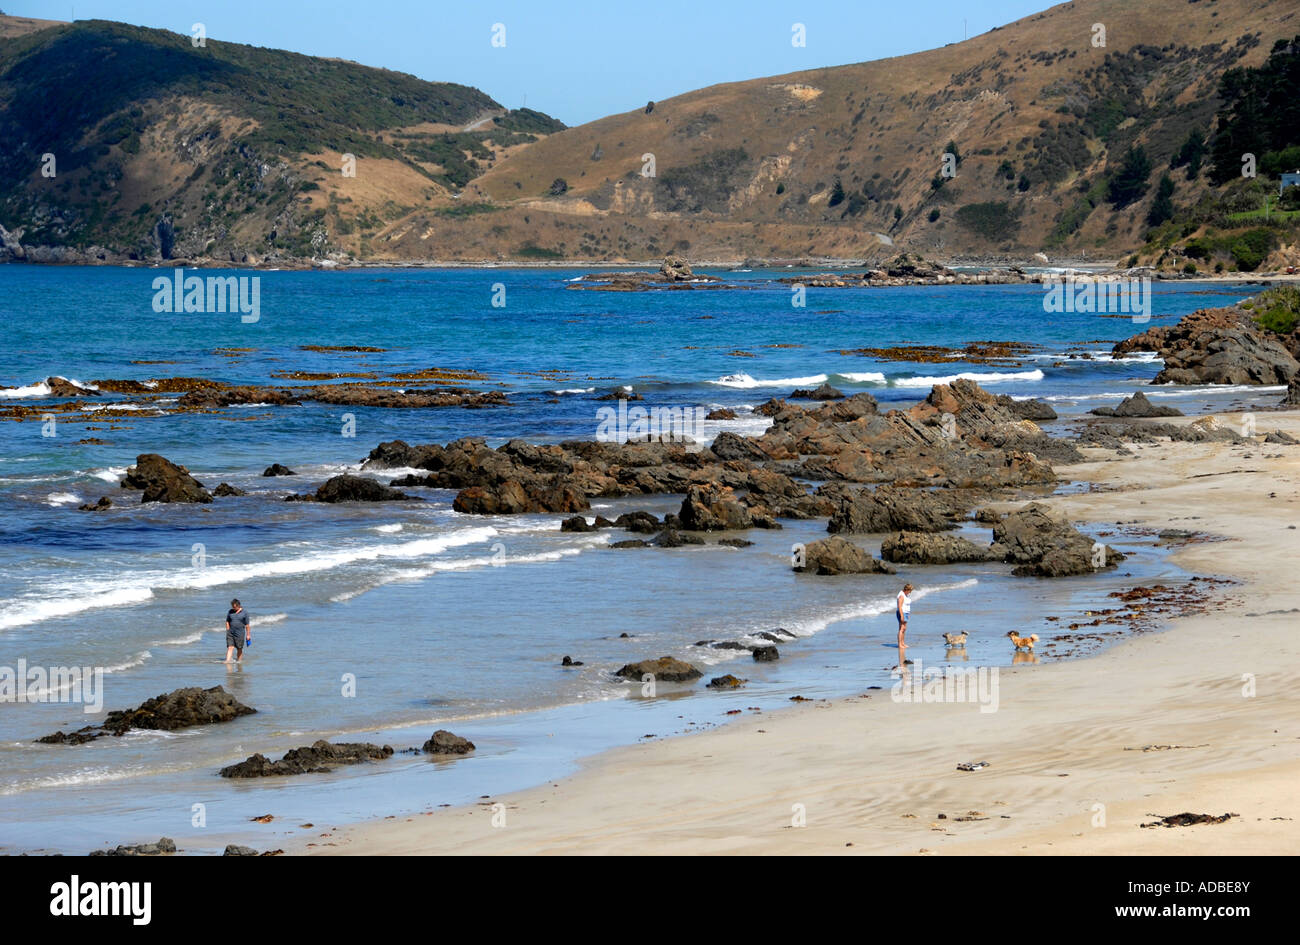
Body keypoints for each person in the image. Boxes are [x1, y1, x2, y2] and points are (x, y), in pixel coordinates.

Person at [225, 598, 251, 663]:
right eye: (232, 607)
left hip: (240, 633)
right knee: (230, 647)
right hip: (230, 632)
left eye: (234, 607)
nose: (233, 608)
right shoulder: (230, 611)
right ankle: (227, 661)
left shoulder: (245, 613)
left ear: (238, 606)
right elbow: (227, 621)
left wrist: (248, 635)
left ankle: (239, 662)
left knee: (239, 648)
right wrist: (228, 629)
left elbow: (247, 625)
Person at [896, 583, 914, 654]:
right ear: (907, 589)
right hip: (901, 613)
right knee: (901, 628)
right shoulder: (901, 595)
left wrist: (907, 614)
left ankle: (902, 643)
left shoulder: (905, 595)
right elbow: (899, 606)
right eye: (910, 591)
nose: (910, 592)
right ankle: (900, 644)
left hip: (905, 613)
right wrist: (902, 615)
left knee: (904, 629)